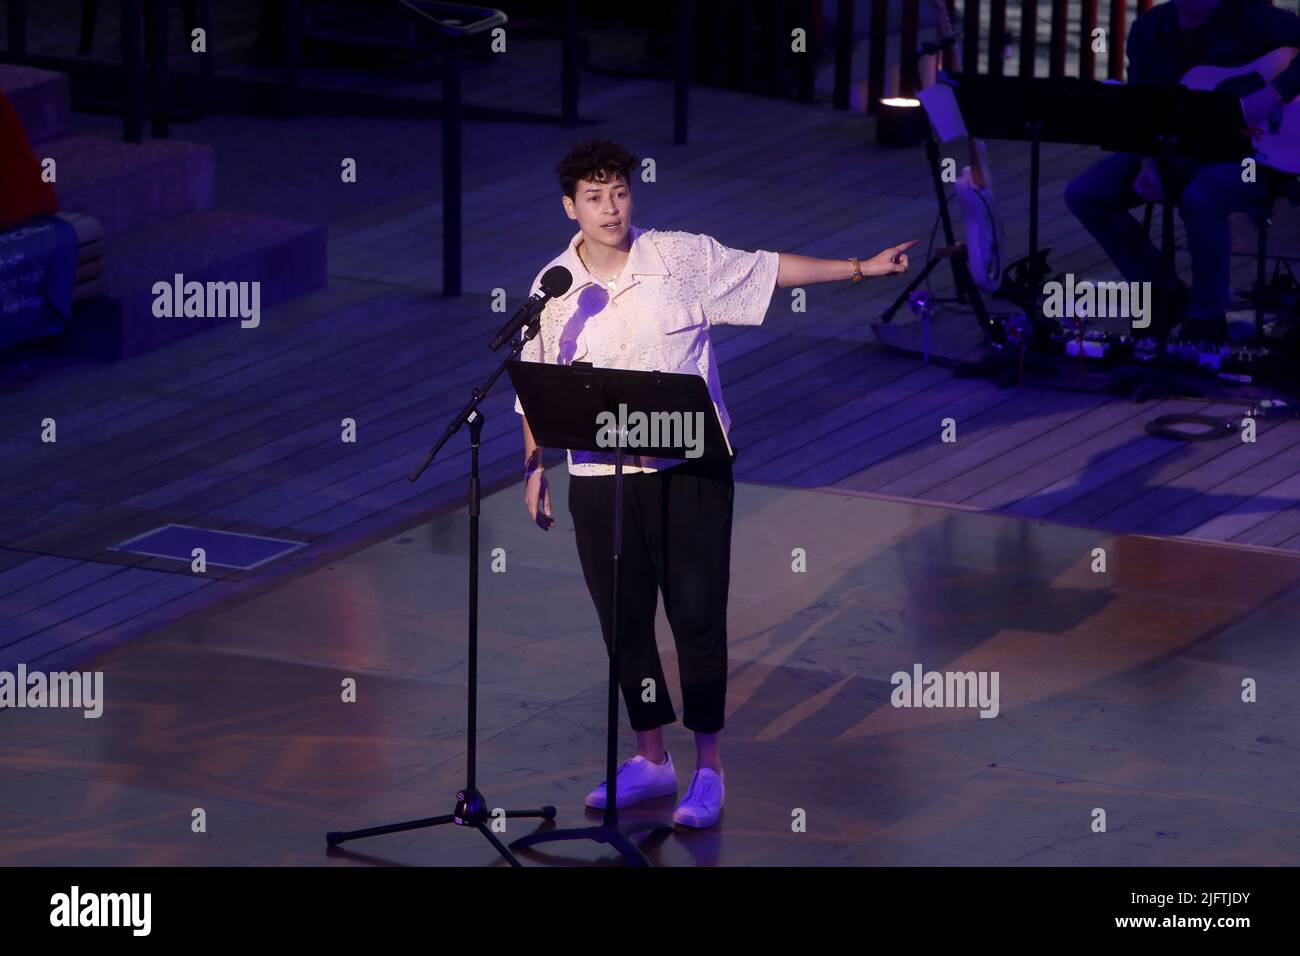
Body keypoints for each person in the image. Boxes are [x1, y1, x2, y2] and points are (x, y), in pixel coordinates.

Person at [513, 138, 915, 829]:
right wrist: (532, 466)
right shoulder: (554, 288)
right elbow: (537, 385)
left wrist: (859, 267)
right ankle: (649, 759)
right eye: (594, 197)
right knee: (625, 623)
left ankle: (708, 769)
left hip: (689, 471)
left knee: (696, 617)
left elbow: (766, 270)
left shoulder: (678, 257)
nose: (610, 209)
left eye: (619, 193)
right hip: (601, 479)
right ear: (568, 206)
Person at [1065, 0, 1300, 346]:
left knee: (1202, 197)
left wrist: (1271, 96)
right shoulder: (1149, 31)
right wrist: (1147, 163)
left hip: (1255, 156)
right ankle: (1162, 291)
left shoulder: (1254, 18)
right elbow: (1142, 110)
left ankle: (1207, 318)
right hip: (1175, 147)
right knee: (1086, 193)